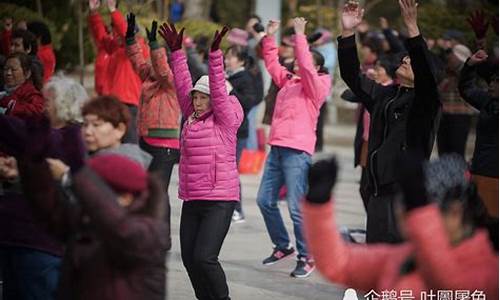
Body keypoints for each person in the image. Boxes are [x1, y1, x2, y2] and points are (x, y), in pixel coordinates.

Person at [302, 152, 498, 299]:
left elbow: (449, 284)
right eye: (406, 206)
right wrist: (319, 206)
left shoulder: (488, 270)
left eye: (413, 208)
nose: (407, 219)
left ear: (455, 212)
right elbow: (340, 264)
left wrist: (419, 208)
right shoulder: (402, 257)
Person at [338, 0, 440, 243]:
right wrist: (348, 31)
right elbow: (351, 76)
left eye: (410, 61)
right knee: (377, 258)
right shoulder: (385, 96)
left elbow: (425, 73)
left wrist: (413, 28)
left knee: (397, 263)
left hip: (402, 194)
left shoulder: (425, 103)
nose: (405, 60)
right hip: (377, 190)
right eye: (405, 58)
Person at [159, 22, 242, 300]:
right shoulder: (192, 116)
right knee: (190, 260)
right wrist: (177, 53)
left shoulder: (226, 119)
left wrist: (215, 56)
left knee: (205, 258)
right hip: (193, 198)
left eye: (203, 97)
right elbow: (182, 83)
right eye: (195, 96)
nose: (196, 101)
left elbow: (219, 91)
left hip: (220, 199)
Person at [18, 151, 169, 300]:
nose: (85, 199)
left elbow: (120, 228)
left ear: (126, 197)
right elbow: (48, 207)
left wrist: (76, 174)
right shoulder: (86, 222)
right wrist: (32, 161)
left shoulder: (148, 232)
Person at [0, 75, 88, 300]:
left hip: (40, 245)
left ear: (65, 105)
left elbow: (19, 133)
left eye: (49, 101)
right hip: (19, 238)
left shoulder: (70, 137)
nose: (44, 106)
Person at [256, 17, 331, 278]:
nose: (298, 62)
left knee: (297, 207)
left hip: (297, 152)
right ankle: (282, 245)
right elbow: (272, 63)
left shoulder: (317, 85)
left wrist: (301, 36)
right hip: (276, 147)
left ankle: (307, 255)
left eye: (305, 60)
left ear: (317, 67)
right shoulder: (288, 82)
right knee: (264, 200)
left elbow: (308, 69)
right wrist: (269, 37)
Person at [125, 16, 181, 225]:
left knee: (159, 191)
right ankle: (149, 229)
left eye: (156, 60)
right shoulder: (149, 77)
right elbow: (137, 61)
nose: (151, 64)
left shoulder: (170, 81)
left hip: (165, 145)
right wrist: (131, 38)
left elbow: (162, 68)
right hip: (146, 139)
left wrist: (154, 44)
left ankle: (162, 236)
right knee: (148, 190)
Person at [87, 0, 148, 144]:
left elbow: (125, 33)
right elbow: (101, 38)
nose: (114, 34)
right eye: (113, 30)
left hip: (129, 103)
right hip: (113, 101)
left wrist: (113, 10)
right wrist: (94, 13)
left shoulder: (137, 47)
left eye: (116, 30)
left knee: (129, 142)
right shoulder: (116, 48)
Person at [458, 49, 498, 220]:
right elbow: (466, 89)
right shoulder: (489, 102)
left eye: (497, 82)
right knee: (478, 223)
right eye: (492, 81)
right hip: (481, 171)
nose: (491, 85)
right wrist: (470, 65)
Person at [225, 44, 259, 222]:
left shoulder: (244, 78)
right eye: (226, 56)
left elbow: (249, 102)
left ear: (241, 61)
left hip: (239, 132)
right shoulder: (228, 76)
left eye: (230, 57)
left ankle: (238, 210)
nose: (226, 60)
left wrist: (231, 89)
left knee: (231, 170)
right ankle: (227, 206)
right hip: (226, 129)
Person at [437, 44, 474, 158]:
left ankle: (457, 175)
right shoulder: (444, 72)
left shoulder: (467, 72)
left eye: (452, 55)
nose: (449, 57)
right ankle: (444, 175)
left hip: (460, 116)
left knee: (456, 151)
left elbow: (462, 69)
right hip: (444, 116)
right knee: (443, 152)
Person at [0, 52, 44, 119]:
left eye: (13, 70)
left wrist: (11, 106)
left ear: (27, 74)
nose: (8, 73)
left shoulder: (31, 93)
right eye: (6, 69)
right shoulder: (5, 92)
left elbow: (38, 110)